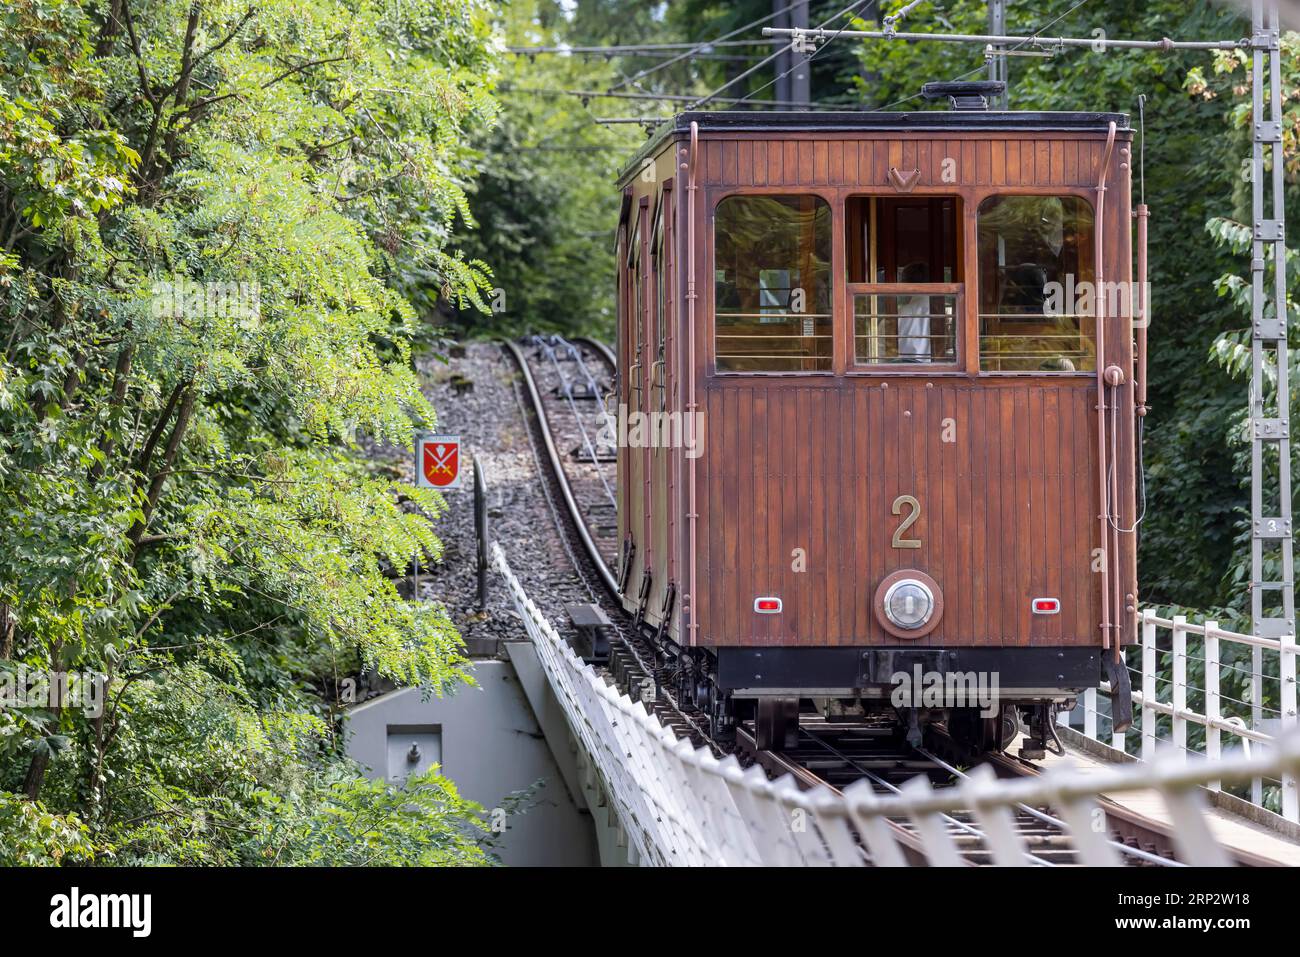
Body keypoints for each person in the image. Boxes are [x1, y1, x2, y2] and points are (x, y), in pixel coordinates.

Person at [897, 261, 931, 360]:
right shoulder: (940, 311)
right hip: (939, 371)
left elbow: (881, 347)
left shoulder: (902, 313)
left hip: (905, 371)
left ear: (906, 285)